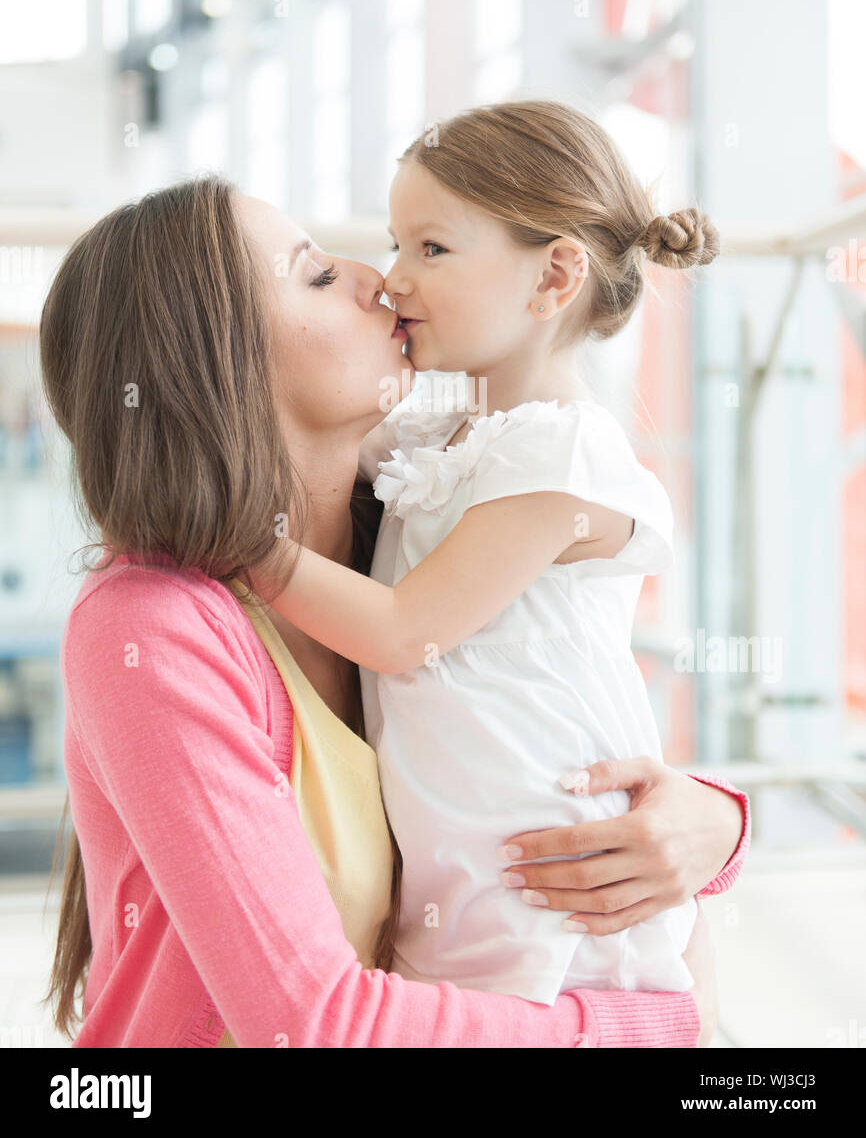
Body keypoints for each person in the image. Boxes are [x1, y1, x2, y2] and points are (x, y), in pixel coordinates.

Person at [40, 171, 749, 1047]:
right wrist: (645, 1028)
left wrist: (711, 825)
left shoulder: (409, 536)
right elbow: (317, 1025)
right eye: (315, 275)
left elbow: (559, 741)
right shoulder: (150, 624)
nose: (379, 278)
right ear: (215, 366)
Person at [251, 100, 725, 1004]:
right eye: (395, 244)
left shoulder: (561, 455)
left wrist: (247, 548)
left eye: (431, 250)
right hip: (463, 880)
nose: (392, 279)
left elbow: (400, 632)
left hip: (559, 887)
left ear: (553, 277)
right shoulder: (440, 437)